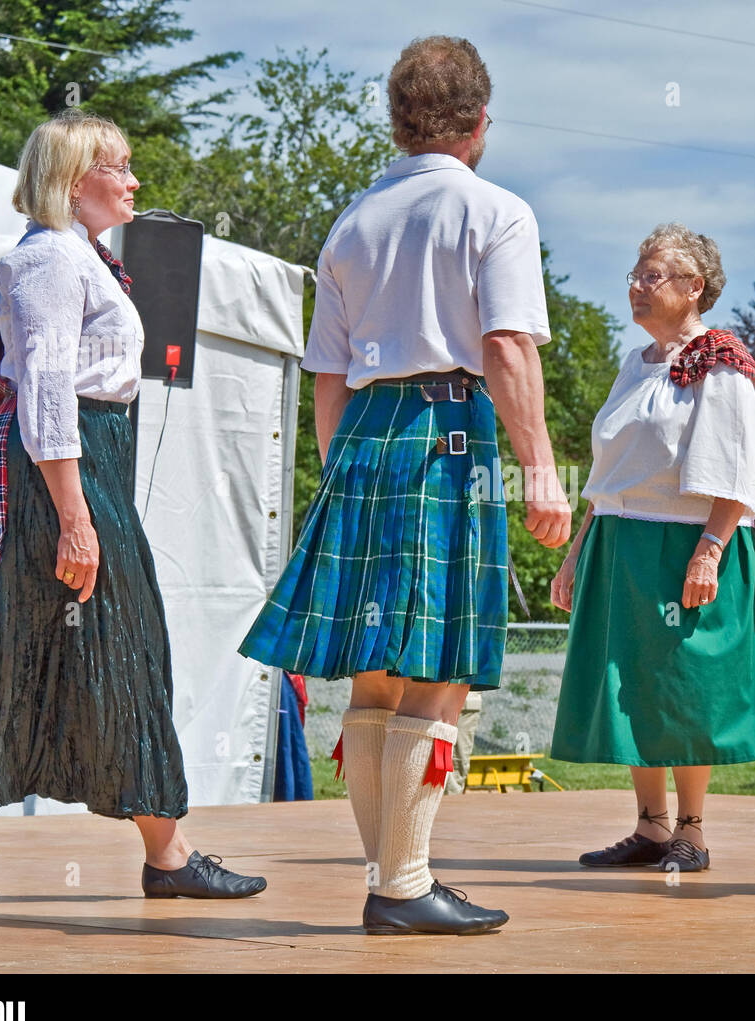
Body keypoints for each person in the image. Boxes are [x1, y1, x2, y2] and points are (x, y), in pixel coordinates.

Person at [0, 109, 266, 903]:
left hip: (81, 465)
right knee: (120, 639)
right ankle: (169, 857)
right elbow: (47, 392)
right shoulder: (50, 259)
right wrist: (76, 515)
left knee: (8, 643)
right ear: (73, 179)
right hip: (58, 472)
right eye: (118, 166)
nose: (133, 180)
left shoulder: (78, 257)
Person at [238, 36, 571, 934]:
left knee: (374, 678)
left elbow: (329, 376)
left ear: (396, 119)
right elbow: (505, 348)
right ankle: (403, 882)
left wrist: (345, 470)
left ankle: (394, 879)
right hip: (449, 432)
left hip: (364, 438)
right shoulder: (496, 210)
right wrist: (540, 469)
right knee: (435, 671)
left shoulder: (353, 220)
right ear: (478, 122)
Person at [550, 224, 755, 872]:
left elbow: (738, 471)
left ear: (694, 286)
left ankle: (692, 831)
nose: (636, 285)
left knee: (686, 687)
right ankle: (651, 827)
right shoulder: (636, 364)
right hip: (621, 541)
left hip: (690, 545)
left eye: (651, 274)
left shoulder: (722, 361)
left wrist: (709, 550)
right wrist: (576, 554)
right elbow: (610, 474)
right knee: (631, 686)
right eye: (635, 272)